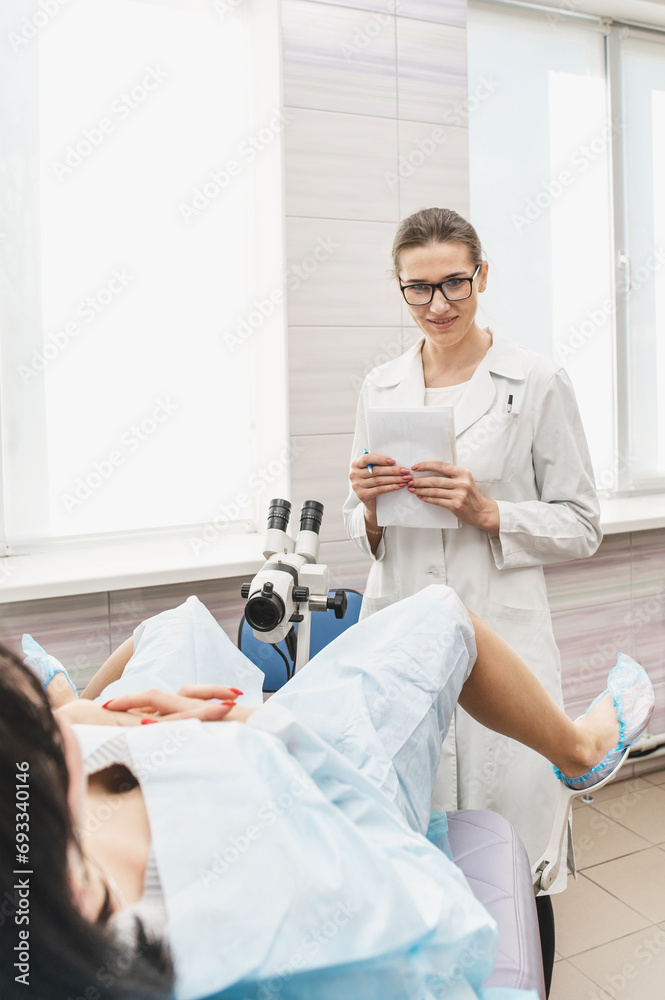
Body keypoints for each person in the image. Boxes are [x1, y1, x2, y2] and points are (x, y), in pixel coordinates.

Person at [1, 588, 653, 1000]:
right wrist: (254, 724)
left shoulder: (38, 873)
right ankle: (580, 749)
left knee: (178, 625)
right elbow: (425, 906)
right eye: (47, 741)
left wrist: (100, 718)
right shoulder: (261, 924)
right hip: (301, 774)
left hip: (174, 750)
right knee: (441, 615)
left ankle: (74, 701)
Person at [343, 207, 603, 983]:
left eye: (454, 282)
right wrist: (366, 504)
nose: (438, 304)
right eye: (417, 289)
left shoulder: (537, 381)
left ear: (482, 276)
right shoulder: (380, 385)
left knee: (513, 863)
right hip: (403, 647)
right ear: (399, 289)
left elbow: (582, 524)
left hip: (503, 646)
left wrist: (486, 510)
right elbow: (379, 538)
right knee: (416, 859)